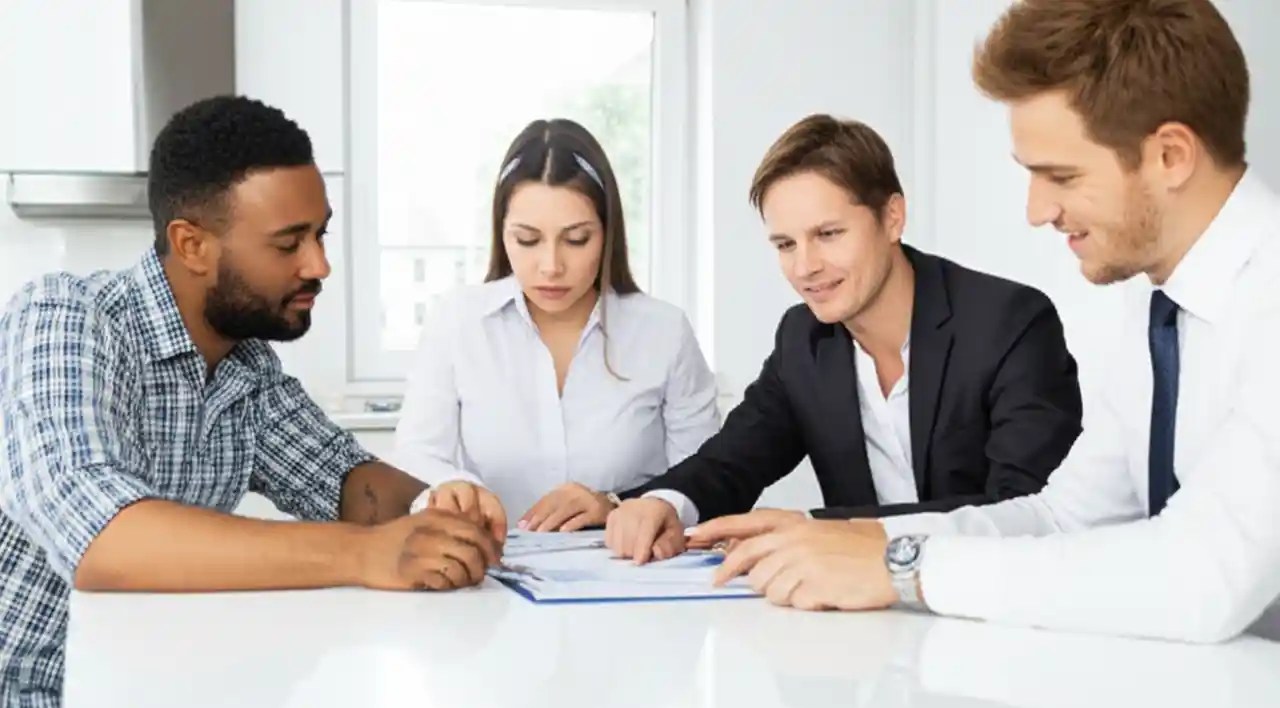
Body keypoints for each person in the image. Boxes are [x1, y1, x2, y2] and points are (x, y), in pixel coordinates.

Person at [697, 0, 1280, 645]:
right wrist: (849, 540)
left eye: (1061, 175)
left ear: (1170, 156)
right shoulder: (1159, 308)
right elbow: (1062, 518)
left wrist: (904, 567)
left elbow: (1202, 579)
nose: (1038, 210)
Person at [0, 95, 507, 708]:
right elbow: (104, 539)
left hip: (149, 688)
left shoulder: (249, 367)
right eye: (288, 243)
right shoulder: (66, 319)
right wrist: (364, 553)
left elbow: (344, 479)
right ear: (192, 246)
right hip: (34, 697)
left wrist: (437, 504)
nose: (319, 264)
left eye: (320, 234)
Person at [605, 114, 1083, 562]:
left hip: (995, 609)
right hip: (867, 623)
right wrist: (665, 503)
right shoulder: (803, 339)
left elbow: (1027, 512)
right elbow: (733, 459)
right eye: (786, 244)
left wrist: (817, 527)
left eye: (828, 234)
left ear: (893, 217)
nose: (805, 266)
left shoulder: (1009, 322)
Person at [392, 118, 720, 531]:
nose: (551, 266)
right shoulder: (457, 322)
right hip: (492, 574)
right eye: (527, 240)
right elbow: (417, 455)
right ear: (502, 233)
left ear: (608, 233)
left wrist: (616, 506)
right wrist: (453, 486)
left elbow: (708, 479)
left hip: (630, 571)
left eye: (577, 239)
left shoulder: (663, 331)